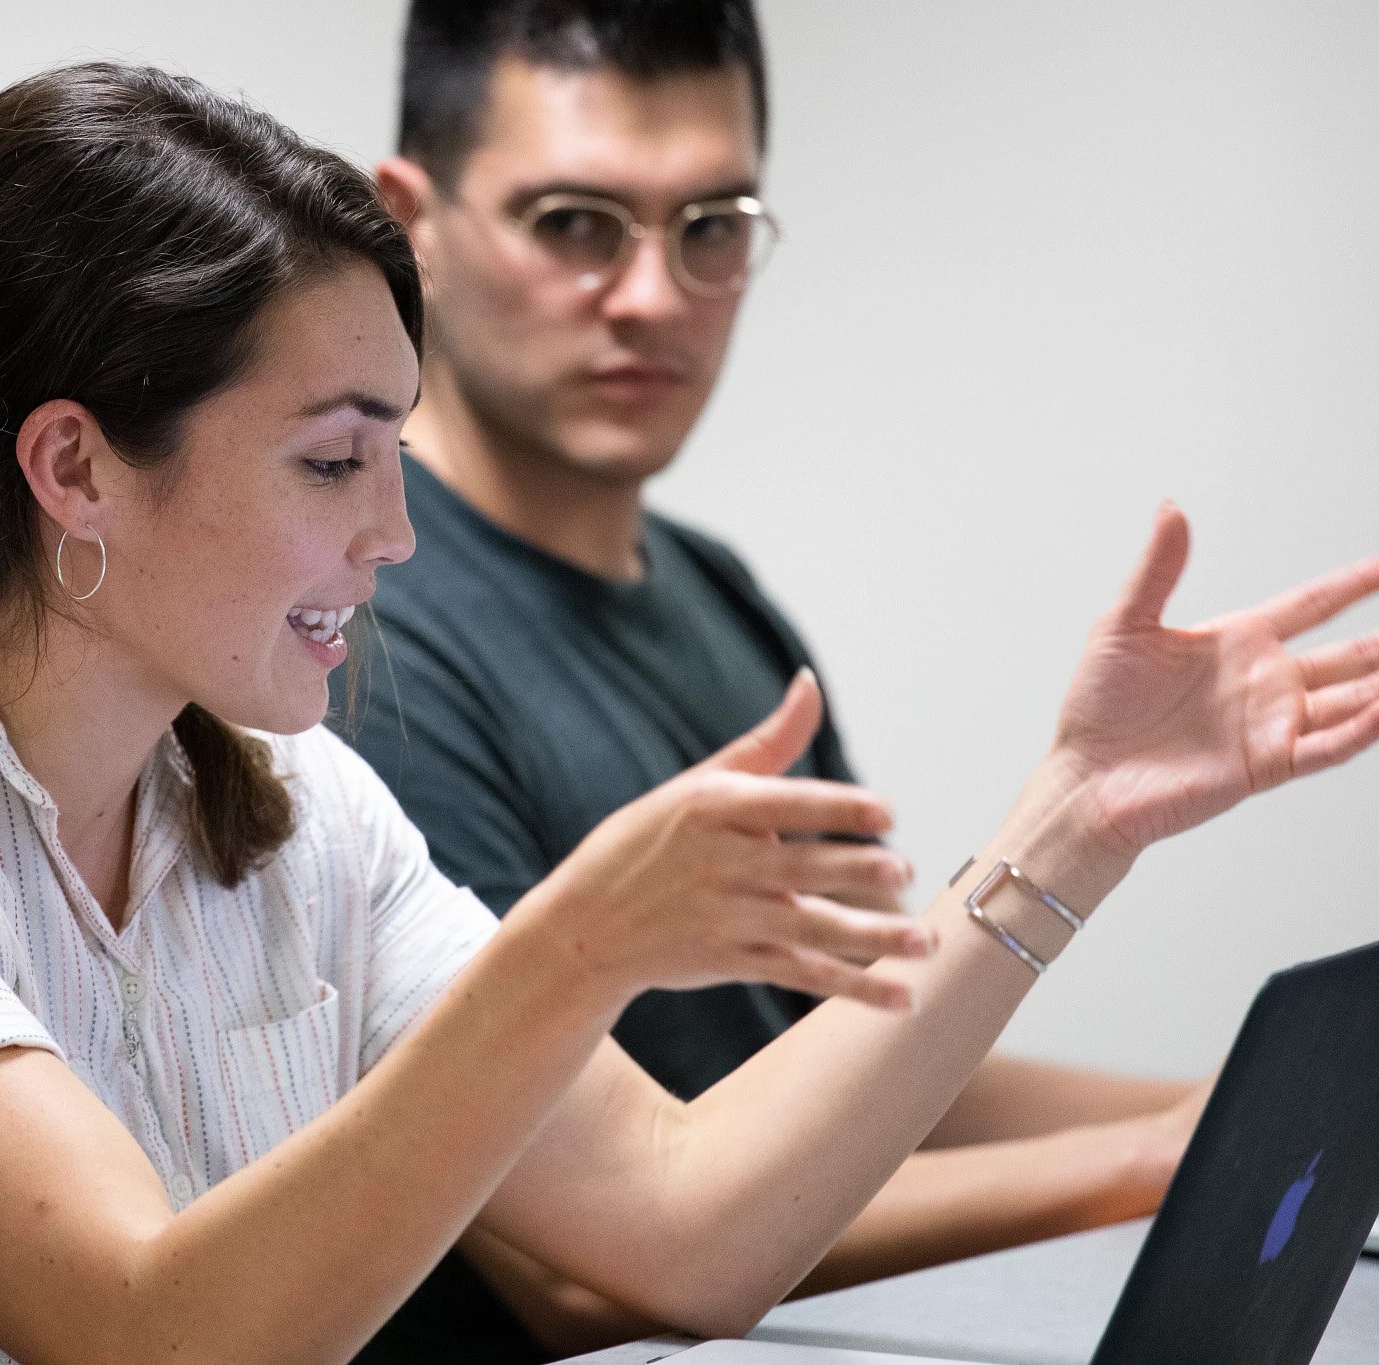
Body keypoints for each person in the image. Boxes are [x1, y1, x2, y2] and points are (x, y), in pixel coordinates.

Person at [0, 60, 1379, 1365]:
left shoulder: (285, 801)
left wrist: (1076, 816)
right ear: (75, 467)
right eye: (337, 458)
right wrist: (571, 949)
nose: (398, 531)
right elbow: (148, 1336)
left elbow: (686, 1226)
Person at [331, 3, 1300, 1357]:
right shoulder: (345, 640)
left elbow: (862, 1056)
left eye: (713, 225)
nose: (654, 293)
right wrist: (1169, 1156)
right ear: (409, 224)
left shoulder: (716, 592)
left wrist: (1243, 1107)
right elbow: (590, 1263)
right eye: (573, 223)